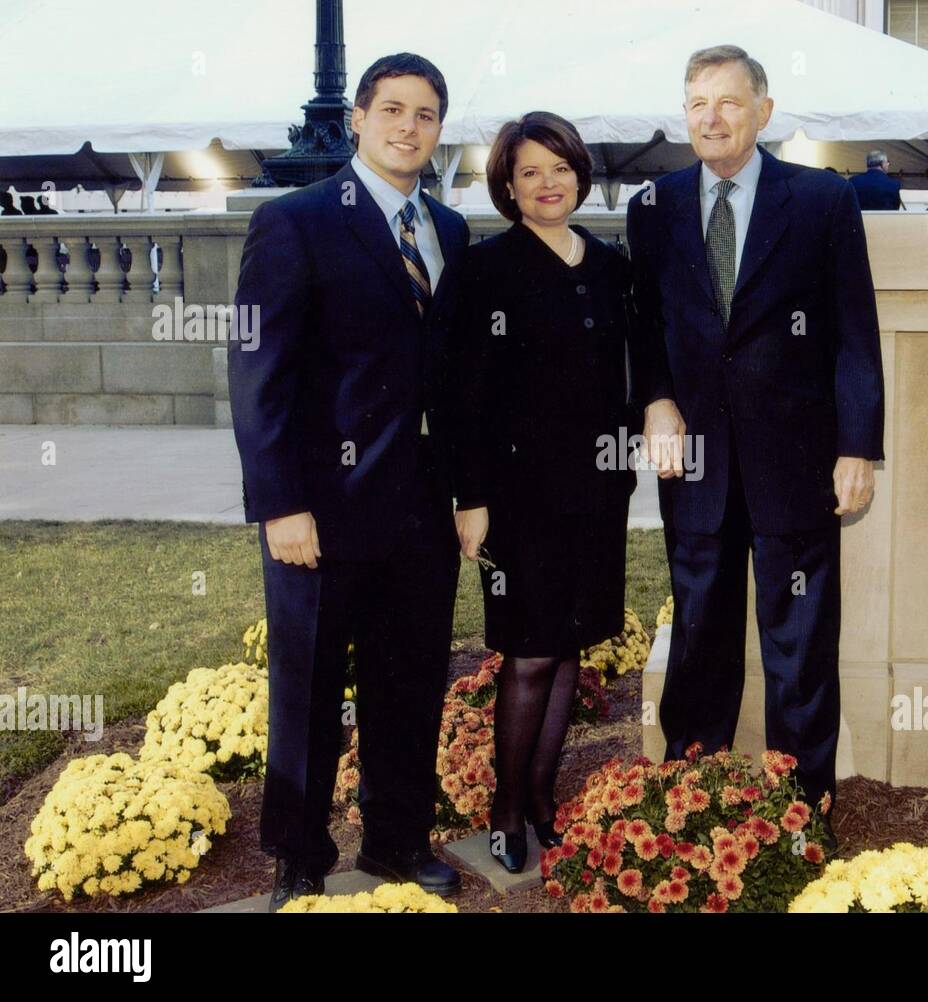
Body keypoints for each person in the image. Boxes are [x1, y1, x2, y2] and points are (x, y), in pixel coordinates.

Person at [626, 45, 885, 854]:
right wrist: (656, 402)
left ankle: (804, 812)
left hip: (797, 463)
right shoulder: (655, 206)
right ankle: (693, 801)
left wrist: (858, 446)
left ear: (763, 112)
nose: (711, 117)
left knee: (800, 641)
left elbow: (854, 332)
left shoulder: (820, 200)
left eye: (729, 102)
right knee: (700, 631)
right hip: (696, 464)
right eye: (697, 101)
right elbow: (642, 328)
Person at [228, 52, 469, 911]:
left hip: (419, 510)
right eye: (394, 110)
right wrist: (280, 504)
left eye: (427, 114)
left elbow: (454, 376)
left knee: (409, 683)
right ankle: (297, 857)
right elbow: (260, 372)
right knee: (309, 689)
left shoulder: (450, 228)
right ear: (359, 118)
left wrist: (467, 491)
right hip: (320, 513)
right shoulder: (293, 222)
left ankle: (399, 840)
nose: (410, 126)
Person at [451, 112, 637, 874]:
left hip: (596, 493)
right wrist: (471, 496)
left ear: (579, 175)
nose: (547, 183)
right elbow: (459, 394)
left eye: (558, 168)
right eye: (529, 172)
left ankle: (539, 799)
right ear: (508, 185)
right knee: (528, 654)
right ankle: (503, 806)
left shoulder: (610, 266)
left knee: (568, 652)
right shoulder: (484, 269)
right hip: (517, 498)